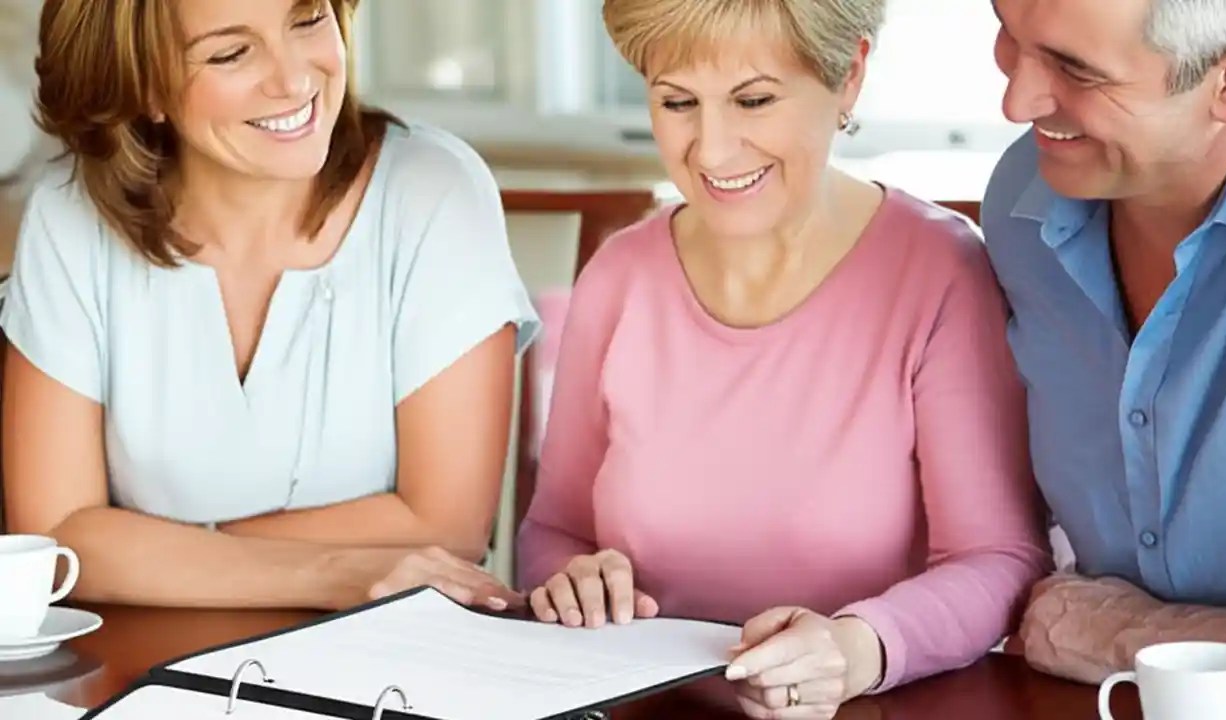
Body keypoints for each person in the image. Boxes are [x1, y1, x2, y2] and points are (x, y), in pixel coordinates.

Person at [516, 0, 1052, 716]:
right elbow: (553, 533)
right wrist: (571, 580)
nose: (710, 150)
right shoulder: (618, 276)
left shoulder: (940, 272)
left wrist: (854, 650)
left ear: (849, 77)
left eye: (754, 100)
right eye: (678, 102)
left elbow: (999, 560)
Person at [0, 0, 538, 611]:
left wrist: (151, 552)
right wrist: (334, 571)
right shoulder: (69, 216)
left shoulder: (434, 191)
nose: (294, 80)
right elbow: (55, 542)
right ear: (143, 83)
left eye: (308, 19)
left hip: (382, 675)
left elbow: (447, 529)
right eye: (231, 53)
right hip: (140, 673)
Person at [982, 0, 1226, 708]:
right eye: (1009, 35)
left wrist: (1135, 637)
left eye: (1074, 68)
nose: (1015, 100)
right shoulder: (1024, 201)